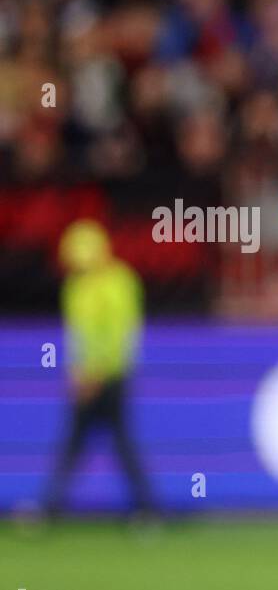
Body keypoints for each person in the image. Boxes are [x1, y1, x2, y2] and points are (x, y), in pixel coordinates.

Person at [42, 219, 155, 519]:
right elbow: (80, 336)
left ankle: (146, 509)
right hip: (87, 376)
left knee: (101, 441)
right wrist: (77, 371)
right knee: (89, 441)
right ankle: (147, 510)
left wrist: (95, 372)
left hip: (110, 376)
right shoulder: (76, 286)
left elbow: (119, 333)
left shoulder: (117, 281)